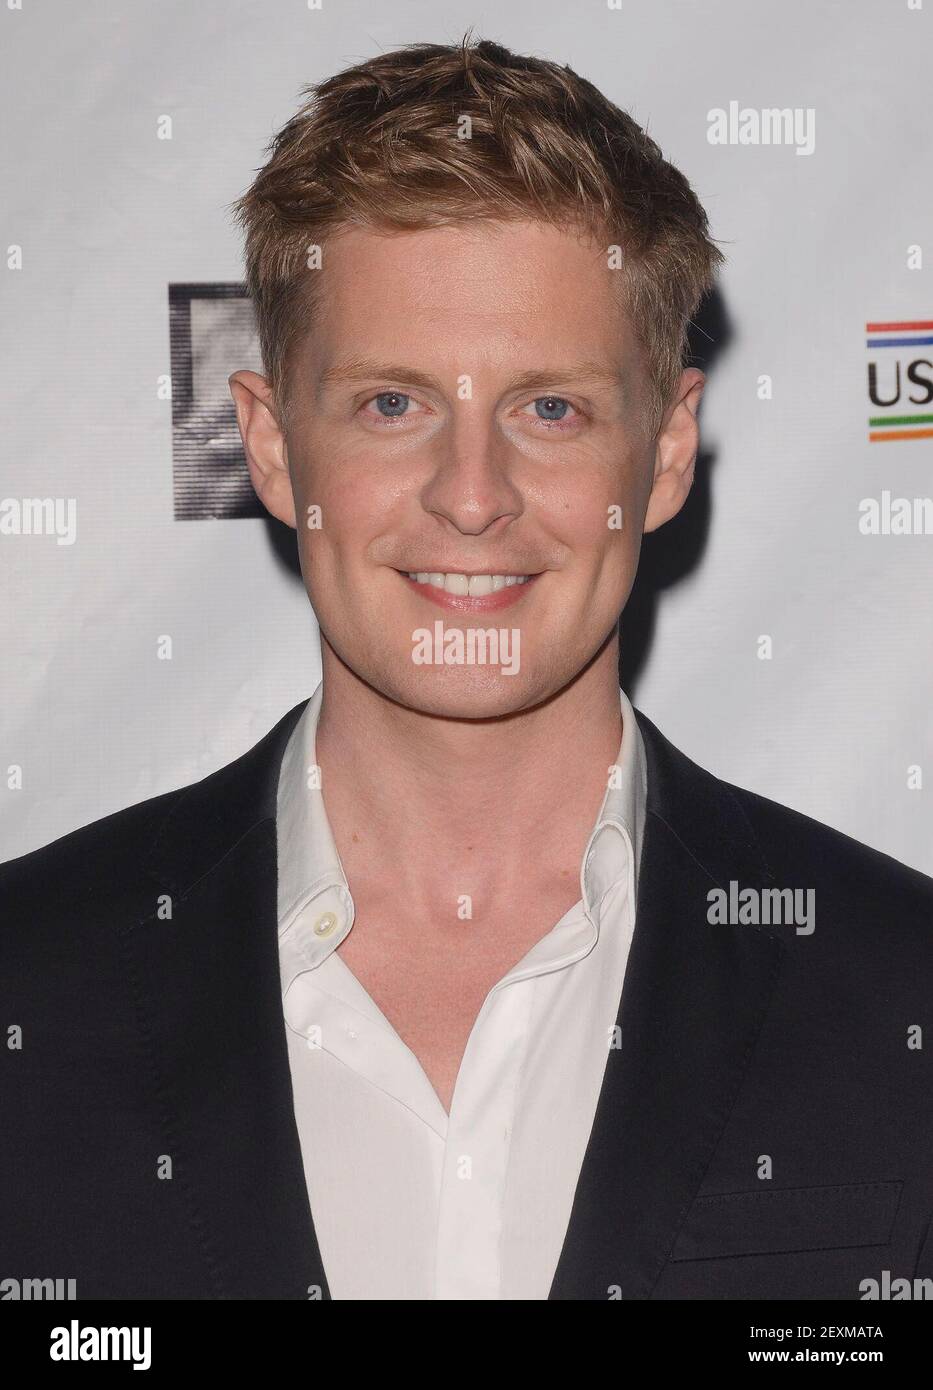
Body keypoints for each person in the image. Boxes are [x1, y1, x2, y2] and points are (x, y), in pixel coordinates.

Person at [2, 35, 931, 1302]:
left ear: (665, 455)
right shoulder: (32, 985)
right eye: (393, 404)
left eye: (550, 408)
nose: (473, 494)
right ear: (268, 446)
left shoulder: (898, 987)